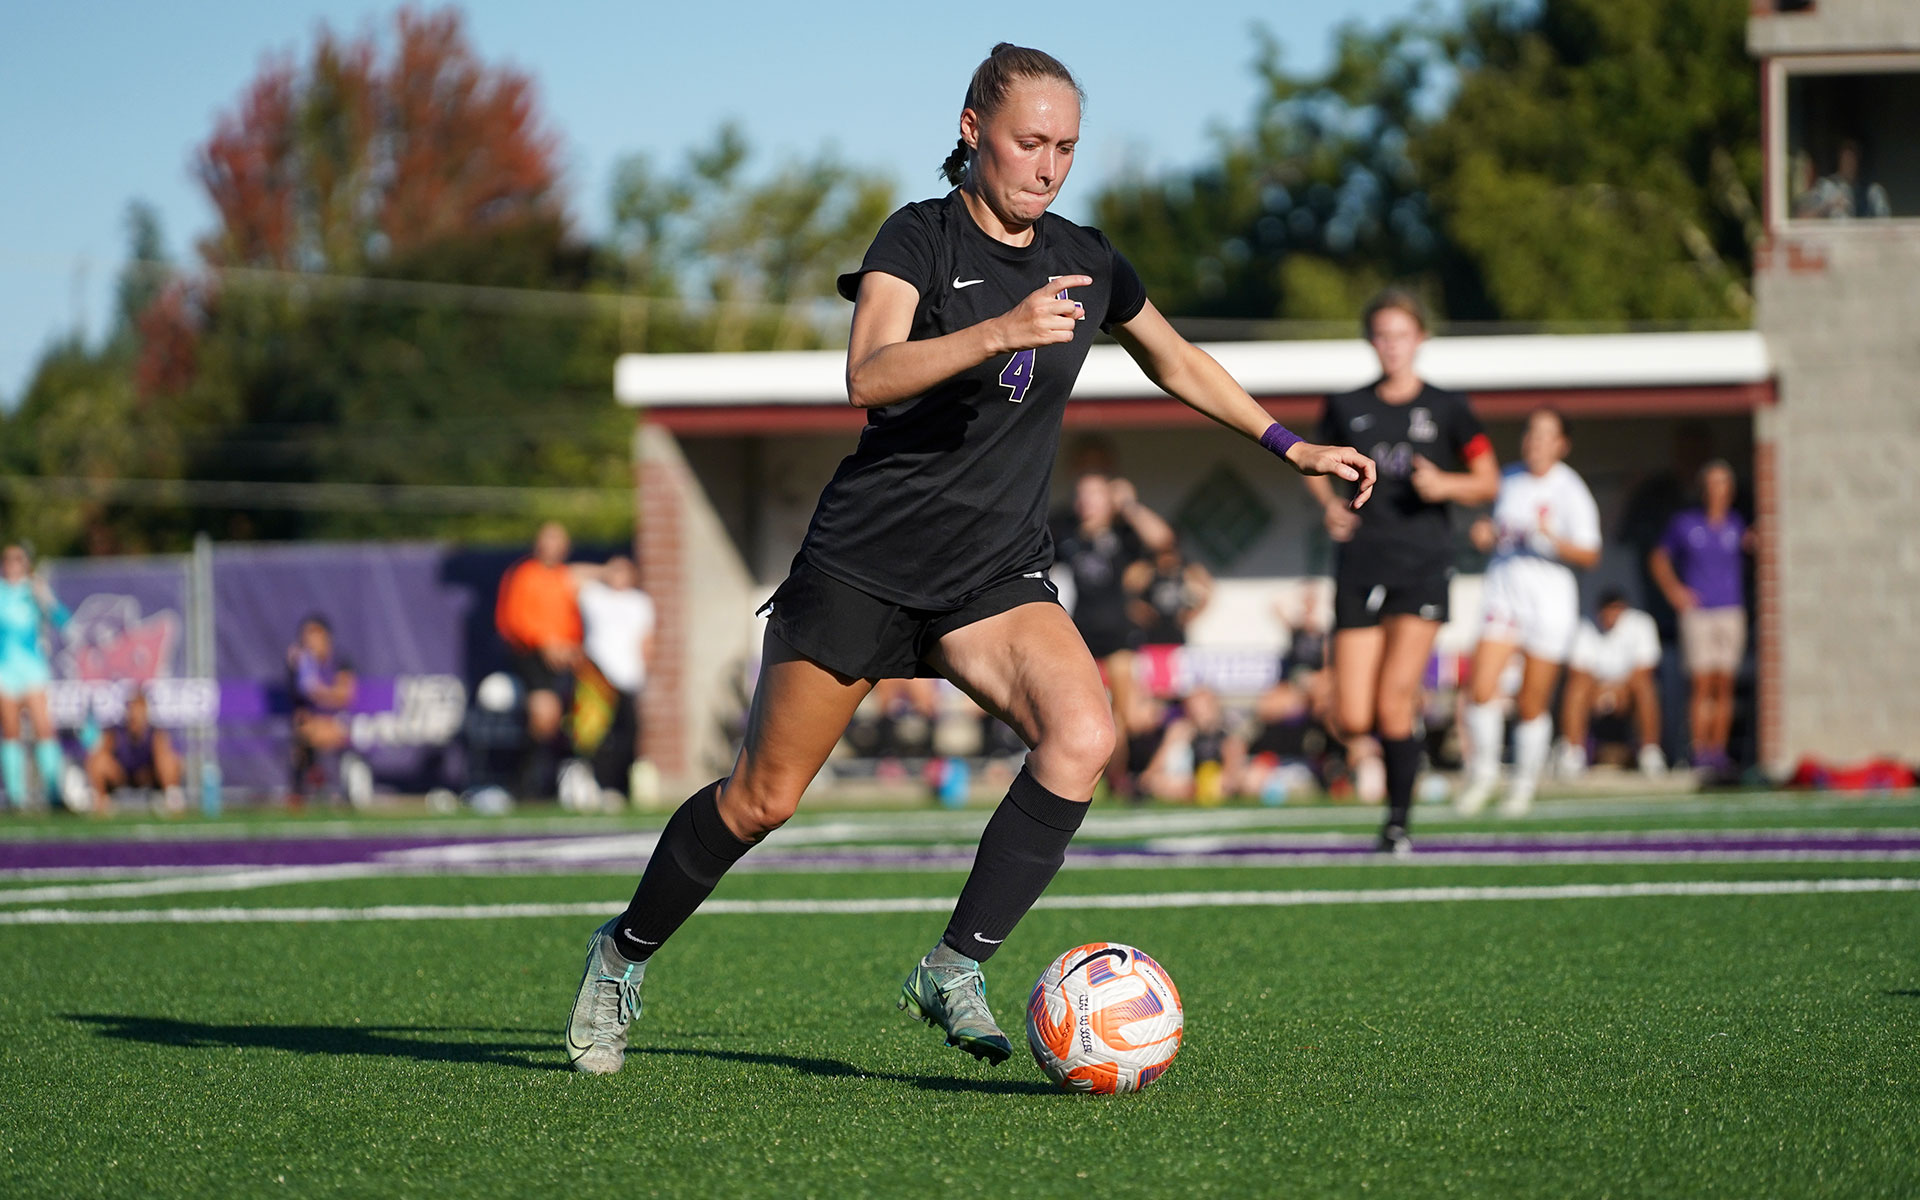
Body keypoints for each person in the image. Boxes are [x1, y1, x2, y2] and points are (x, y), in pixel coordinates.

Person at [565, 43, 1375, 1075]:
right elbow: (869, 374)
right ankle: (623, 950)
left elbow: (1173, 357)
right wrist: (997, 330)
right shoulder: (917, 236)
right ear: (972, 131)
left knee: (1084, 733)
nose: (1048, 166)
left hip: (991, 576)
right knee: (761, 799)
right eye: (1029, 141)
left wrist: (1291, 445)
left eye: (1067, 147)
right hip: (861, 567)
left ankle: (952, 963)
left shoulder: (1085, 255)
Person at [1305, 290, 1499, 853]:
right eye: (1383, 335)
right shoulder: (1345, 405)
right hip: (1361, 563)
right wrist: (1328, 508)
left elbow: (1487, 480)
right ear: (1372, 341)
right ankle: (1388, 780)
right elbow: (1313, 463)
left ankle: (1397, 823)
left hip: (1422, 564)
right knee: (1351, 713)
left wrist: (1446, 486)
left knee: (1395, 700)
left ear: (1421, 340)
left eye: (1402, 334)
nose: (1392, 345)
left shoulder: (1448, 407)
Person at [1455, 409, 1602, 816]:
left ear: (1561, 444)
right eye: (1530, 433)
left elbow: (1590, 552)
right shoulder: (1510, 479)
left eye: (1544, 435)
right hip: (1503, 597)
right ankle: (1483, 775)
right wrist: (1483, 533)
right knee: (1480, 687)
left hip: (1550, 605)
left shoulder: (1570, 490)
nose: (1534, 442)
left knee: (1531, 701)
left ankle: (1522, 784)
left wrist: (1551, 540)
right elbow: (1494, 529)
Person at [1052, 473, 1173, 793]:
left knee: (1126, 714)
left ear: (1109, 499)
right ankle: (1102, 780)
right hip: (1082, 634)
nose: (1087, 501)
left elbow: (1163, 540)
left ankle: (1122, 779)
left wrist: (1130, 506)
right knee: (1087, 710)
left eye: (1095, 494)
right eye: (1082, 494)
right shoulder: (1066, 534)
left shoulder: (1123, 534)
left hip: (1120, 634)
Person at [1649, 460, 1755, 774]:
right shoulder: (1686, 523)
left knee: (1724, 683)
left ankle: (1717, 751)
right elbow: (1659, 557)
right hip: (1699, 613)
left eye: (1722, 483)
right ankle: (1699, 750)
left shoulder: (1737, 525)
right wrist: (1675, 591)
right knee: (1701, 682)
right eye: (1711, 483)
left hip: (1731, 610)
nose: (1716, 490)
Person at [495, 522, 602, 799]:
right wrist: (546, 643)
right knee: (544, 716)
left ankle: (567, 779)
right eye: (547, 539)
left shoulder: (565, 577)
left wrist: (570, 648)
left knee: (582, 714)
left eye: (558, 540)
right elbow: (516, 621)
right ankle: (523, 784)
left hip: (566, 657)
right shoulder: (524, 575)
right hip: (532, 656)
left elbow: (589, 578)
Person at [1556, 589, 1664, 778]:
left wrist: (1617, 692)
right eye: (1607, 611)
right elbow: (1579, 671)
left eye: (1616, 611)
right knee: (1576, 689)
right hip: (1595, 692)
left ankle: (1650, 752)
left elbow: (1645, 669)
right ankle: (1572, 753)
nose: (1611, 616)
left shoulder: (1641, 623)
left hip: (1627, 691)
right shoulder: (1585, 626)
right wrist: (1604, 693)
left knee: (1645, 688)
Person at [575, 555, 657, 801]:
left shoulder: (640, 602)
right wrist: (604, 571)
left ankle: (619, 786)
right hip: (598, 674)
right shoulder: (594, 596)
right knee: (595, 733)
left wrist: (645, 673)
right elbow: (568, 574)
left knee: (627, 733)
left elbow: (646, 641)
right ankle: (595, 784)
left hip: (628, 677)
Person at [0, 543, 72, 810]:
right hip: (5, 671)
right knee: (11, 732)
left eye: (17, 558)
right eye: (7, 558)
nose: (11, 563)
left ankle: (54, 793)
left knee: (44, 729)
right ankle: (17, 798)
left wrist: (46, 599)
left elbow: (63, 620)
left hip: (32, 669)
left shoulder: (34, 590)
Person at [286, 613, 369, 807]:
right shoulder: (301, 664)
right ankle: (307, 789)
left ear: (325, 637)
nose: (310, 641)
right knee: (303, 729)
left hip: (342, 722)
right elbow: (299, 700)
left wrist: (318, 692)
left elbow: (344, 696)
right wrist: (296, 670)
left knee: (315, 730)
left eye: (314, 635)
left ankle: (320, 782)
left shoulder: (340, 660)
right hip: (312, 725)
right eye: (306, 635)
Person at [86, 689, 183, 812]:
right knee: (98, 761)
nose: (135, 716)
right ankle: (101, 801)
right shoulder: (116, 732)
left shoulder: (155, 734)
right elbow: (98, 756)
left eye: (139, 712)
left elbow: (167, 759)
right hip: (122, 776)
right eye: (133, 711)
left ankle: (172, 799)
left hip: (147, 777)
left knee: (169, 760)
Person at [1126, 543, 1213, 647]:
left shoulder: (1186, 573)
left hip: (1176, 631)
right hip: (1151, 630)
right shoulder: (1147, 573)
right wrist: (1140, 612)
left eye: (1171, 554)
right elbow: (1129, 593)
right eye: (1164, 555)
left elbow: (1207, 593)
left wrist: (1192, 614)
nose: (1168, 559)